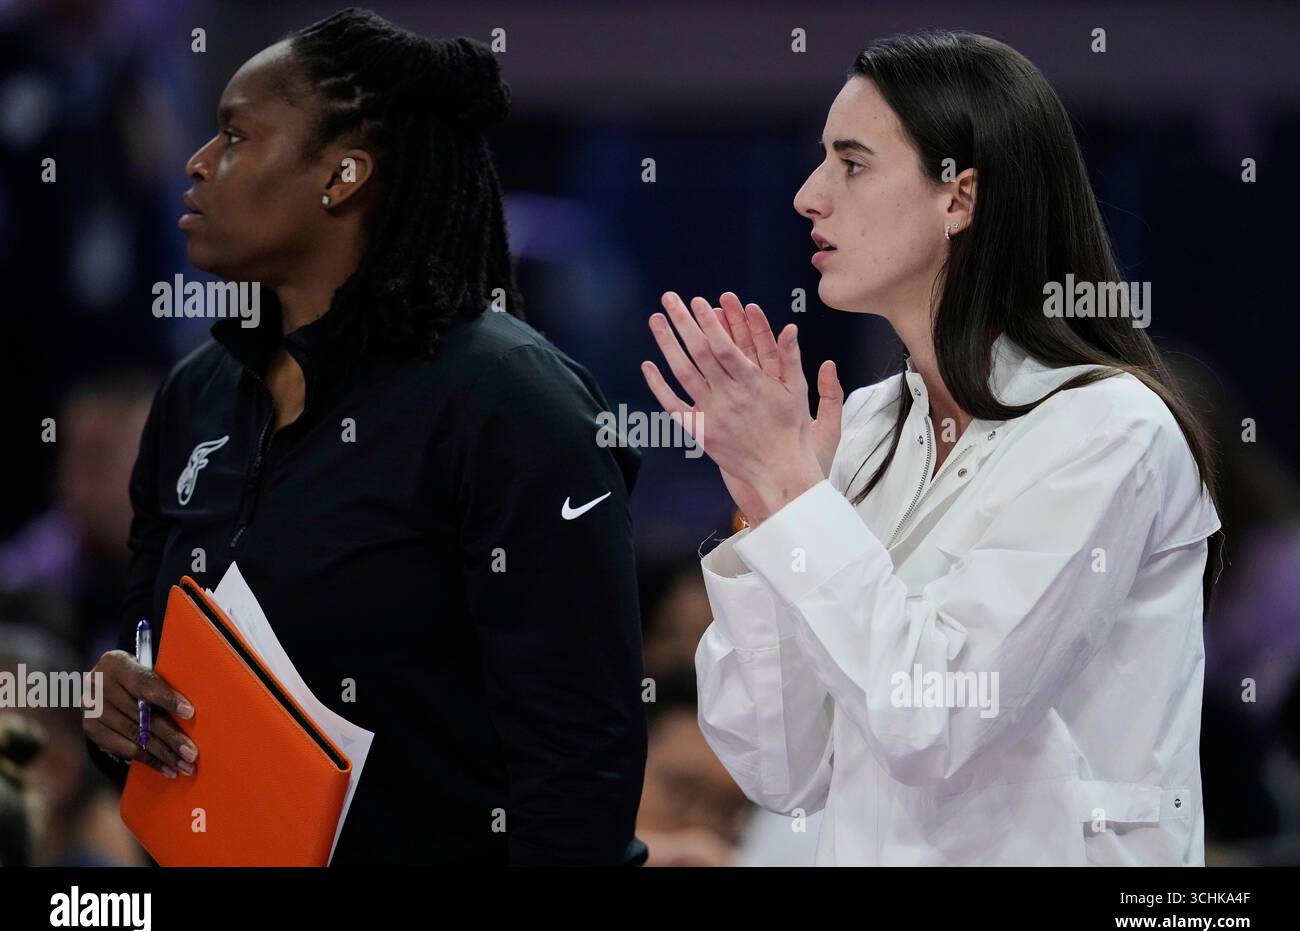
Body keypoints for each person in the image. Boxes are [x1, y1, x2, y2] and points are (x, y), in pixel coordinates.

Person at [640, 30, 1222, 865]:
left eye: (852, 163)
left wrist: (796, 496)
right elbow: (780, 768)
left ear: (959, 197)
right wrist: (762, 506)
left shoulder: (1110, 431)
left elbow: (935, 720)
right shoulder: (870, 424)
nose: (809, 195)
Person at [82, 8, 648, 866]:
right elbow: (144, 649)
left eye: (236, 136)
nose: (197, 164)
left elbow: (580, 764)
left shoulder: (510, 398)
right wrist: (117, 707)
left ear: (343, 174)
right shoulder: (195, 392)